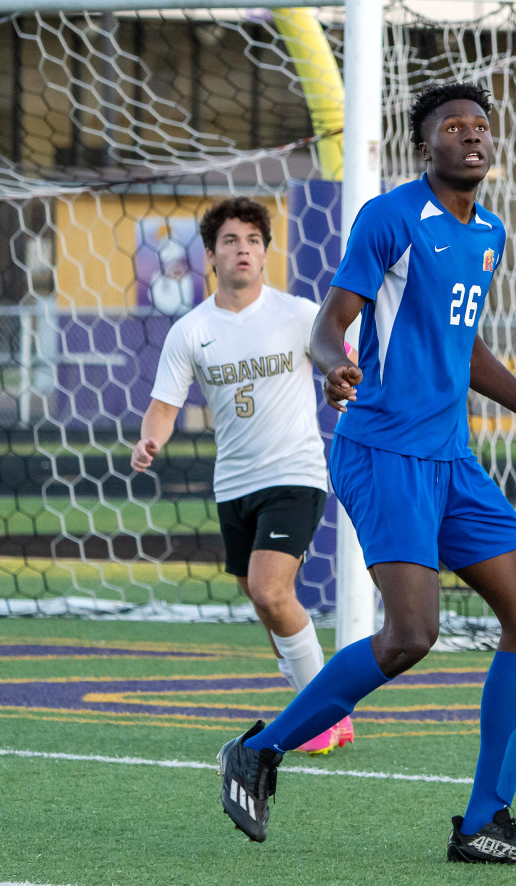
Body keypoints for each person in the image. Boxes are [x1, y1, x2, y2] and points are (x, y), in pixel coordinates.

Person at [218, 83, 516, 866]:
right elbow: (330, 324)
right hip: (382, 451)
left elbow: (465, 347)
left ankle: (486, 822)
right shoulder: (389, 218)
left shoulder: (489, 231)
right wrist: (332, 368)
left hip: (451, 458)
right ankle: (261, 750)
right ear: (427, 147)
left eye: (481, 127)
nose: (471, 137)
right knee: (412, 634)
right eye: (454, 127)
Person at [132, 196, 353, 755]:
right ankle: (327, 707)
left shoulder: (299, 313)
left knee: (270, 589)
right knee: (264, 603)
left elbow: (344, 359)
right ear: (210, 255)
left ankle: (320, 719)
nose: (244, 250)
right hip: (234, 485)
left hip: (296, 474)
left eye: (254, 241)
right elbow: (165, 403)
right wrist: (151, 437)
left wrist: (352, 382)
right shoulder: (191, 331)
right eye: (231, 241)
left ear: (266, 253)